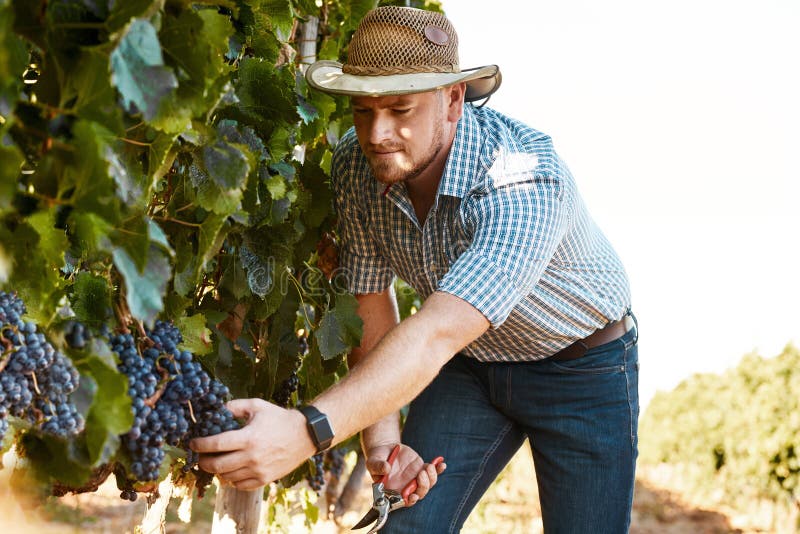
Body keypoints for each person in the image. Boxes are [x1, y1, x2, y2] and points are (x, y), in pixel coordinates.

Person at [192, 6, 639, 533]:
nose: (377, 133)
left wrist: (306, 429)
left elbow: (436, 332)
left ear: (452, 100)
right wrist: (382, 445)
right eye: (362, 110)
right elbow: (369, 297)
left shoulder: (525, 179)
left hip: (581, 368)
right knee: (402, 523)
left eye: (400, 108)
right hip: (468, 368)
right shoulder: (357, 168)